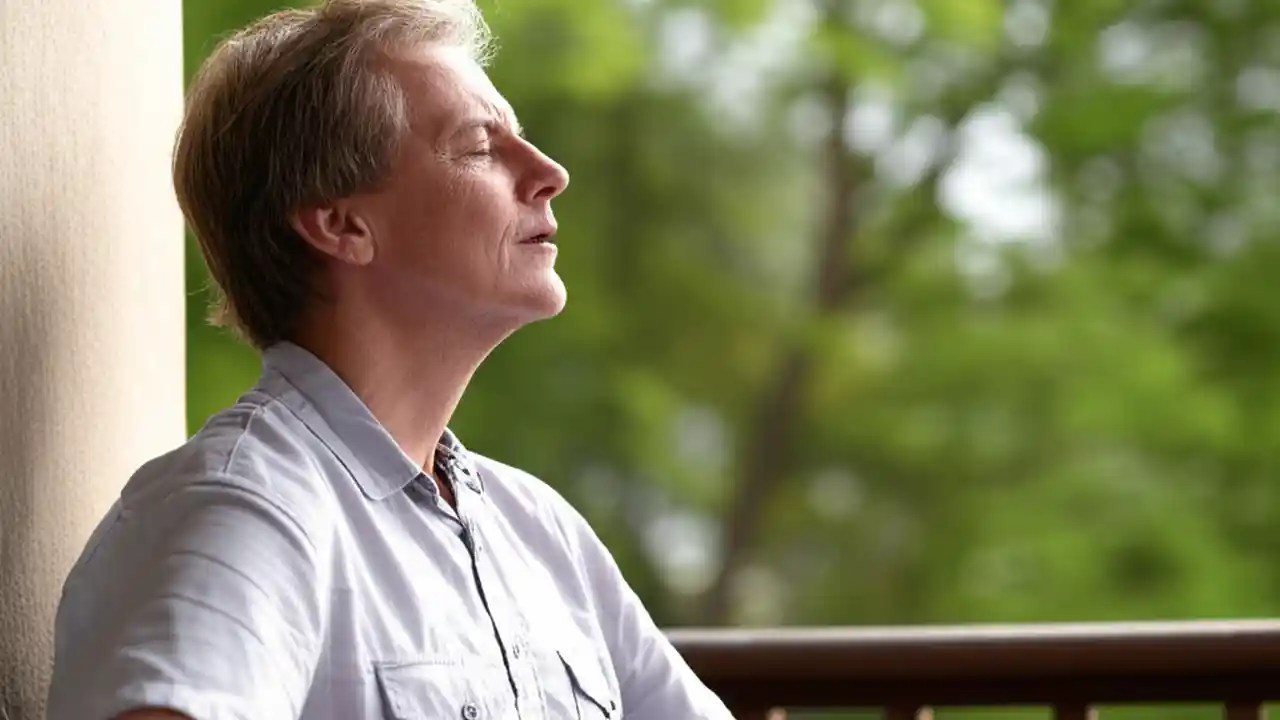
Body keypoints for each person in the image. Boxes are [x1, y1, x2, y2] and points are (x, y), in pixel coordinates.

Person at [45, 1, 733, 718]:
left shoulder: (541, 532)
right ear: (341, 223)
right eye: (479, 145)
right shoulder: (244, 505)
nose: (549, 172)